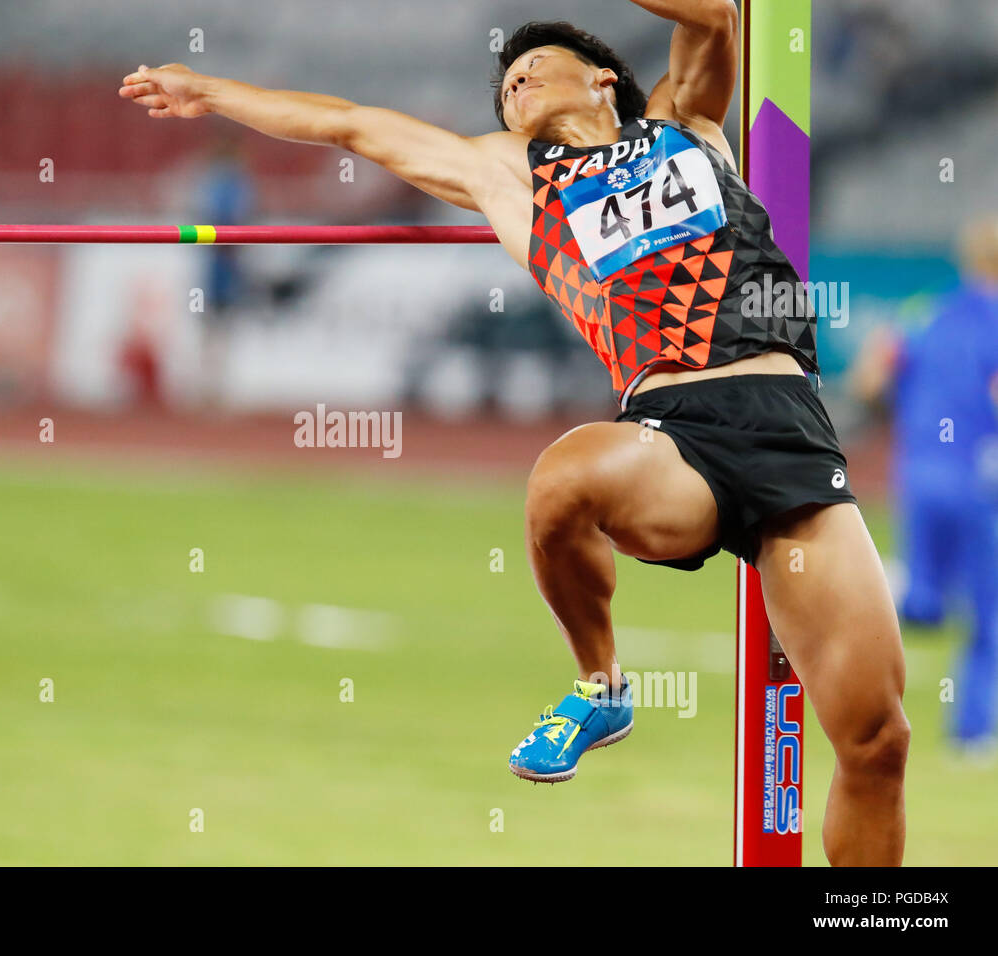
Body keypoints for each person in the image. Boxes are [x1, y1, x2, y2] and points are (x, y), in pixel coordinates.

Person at [120, 0, 909, 866]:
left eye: (534, 65)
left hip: (791, 427)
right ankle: (601, 685)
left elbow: (717, 17)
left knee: (877, 742)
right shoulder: (512, 176)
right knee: (562, 480)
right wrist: (213, 91)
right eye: (504, 85)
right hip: (673, 440)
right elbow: (351, 125)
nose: (515, 82)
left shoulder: (689, 125)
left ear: (604, 77)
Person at [851, 219, 998, 756]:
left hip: (918, 474)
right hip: (980, 479)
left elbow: (869, 377)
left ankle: (884, 585)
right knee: (989, 614)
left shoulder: (923, 313)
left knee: (925, 608)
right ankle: (973, 737)